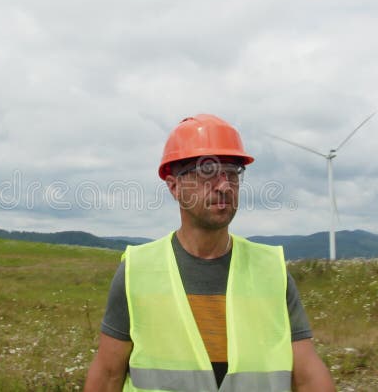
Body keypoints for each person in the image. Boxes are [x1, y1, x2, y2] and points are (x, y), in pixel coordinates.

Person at [85, 114, 335, 391]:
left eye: (231, 173)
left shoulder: (272, 270)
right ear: (174, 186)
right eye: (207, 173)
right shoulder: (137, 271)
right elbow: (108, 376)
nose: (225, 185)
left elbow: (309, 376)